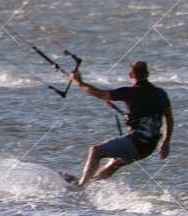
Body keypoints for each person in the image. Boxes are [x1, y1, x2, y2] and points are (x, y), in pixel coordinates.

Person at [66, 60, 172, 188]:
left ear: (130, 75)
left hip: (136, 143)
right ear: (147, 74)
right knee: (115, 163)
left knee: (96, 151)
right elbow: (169, 119)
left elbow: (100, 94)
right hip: (149, 147)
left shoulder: (130, 92)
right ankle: (91, 184)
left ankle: (81, 186)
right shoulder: (161, 94)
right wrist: (165, 142)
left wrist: (79, 82)